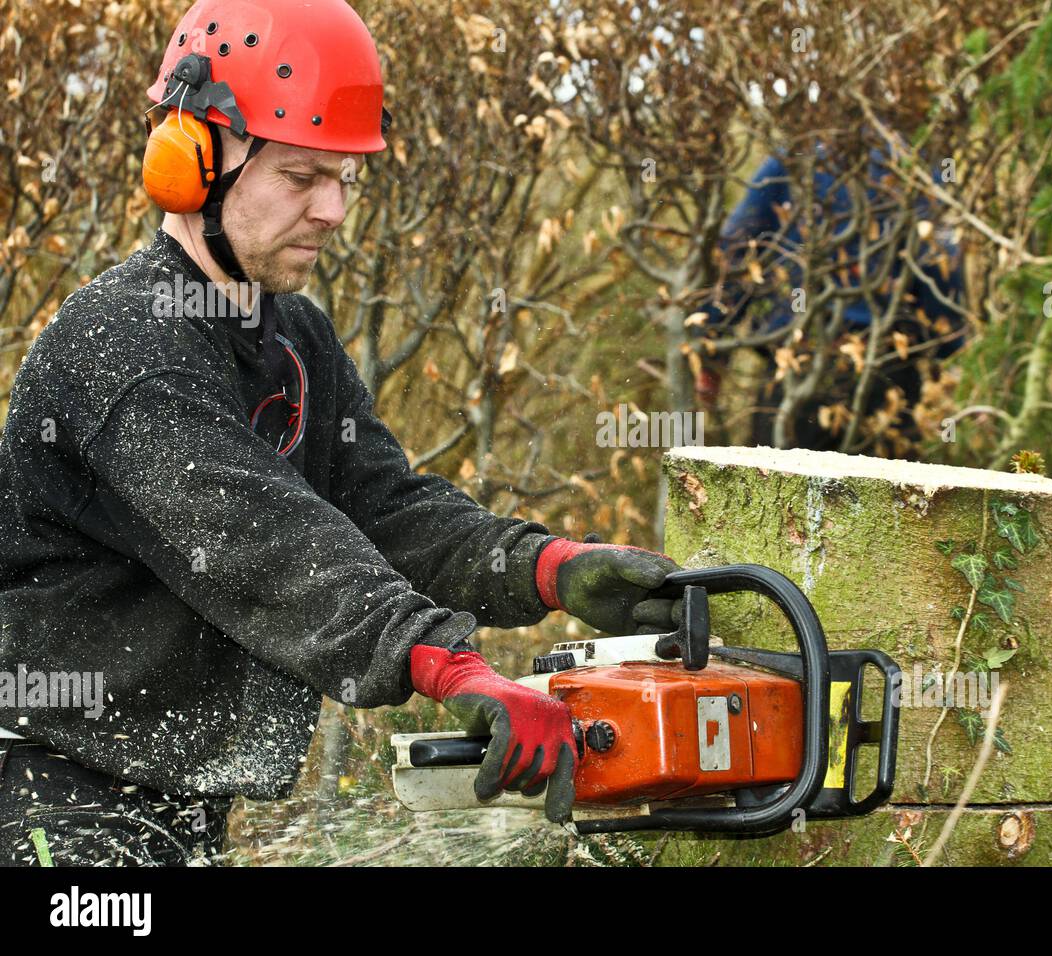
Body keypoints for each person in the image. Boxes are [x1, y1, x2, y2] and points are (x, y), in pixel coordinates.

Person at [0, 0, 678, 866]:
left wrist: (548, 567)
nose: (333, 209)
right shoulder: (123, 348)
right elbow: (266, 543)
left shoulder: (295, 340)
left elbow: (386, 511)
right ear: (193, 161)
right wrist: (446, 664)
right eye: (301, 176)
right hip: (49, 791)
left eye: (346, 177)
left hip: (174, 801)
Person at [694, 143, 966, 452]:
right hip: (888, 370)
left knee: (779, 491)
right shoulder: (917, 168)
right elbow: (941, 270)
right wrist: (949, 355)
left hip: (797, 364)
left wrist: (711, 352)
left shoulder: (791, 159)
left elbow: (736, 251)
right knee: (891, 495)